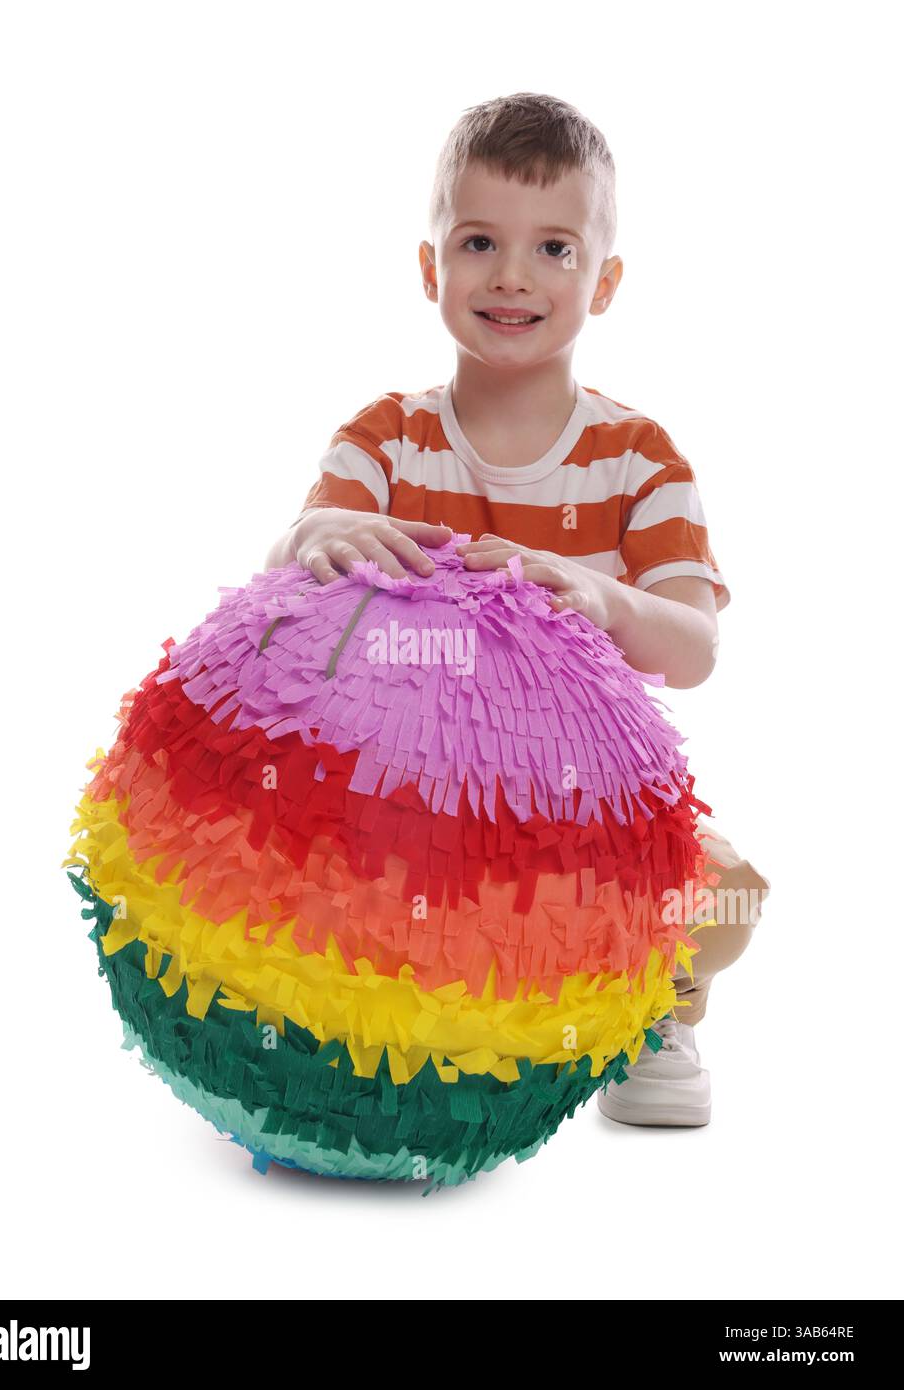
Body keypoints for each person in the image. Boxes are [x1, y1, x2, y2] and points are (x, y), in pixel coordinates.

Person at [264, 91, 770, 1128]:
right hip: (405, 789)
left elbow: (695, 646)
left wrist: (592, 590)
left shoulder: (639, 458)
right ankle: (398, 1029)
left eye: (552, 249)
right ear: (429, 268)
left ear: (603, 279)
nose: (509, 276)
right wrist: (313, 537)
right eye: (479, 241)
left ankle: (648, 1006)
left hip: (583, 796)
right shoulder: (388, 435)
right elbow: (291, 561)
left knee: (729, 893)